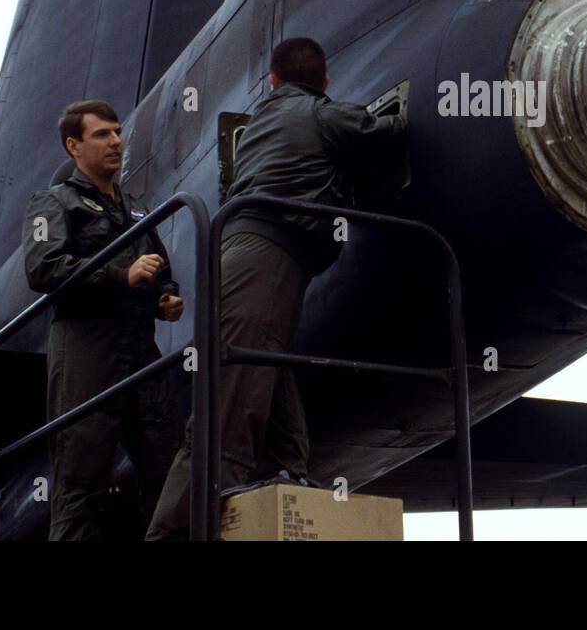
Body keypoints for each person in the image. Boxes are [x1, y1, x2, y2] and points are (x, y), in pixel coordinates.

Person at [146, 37, 407, 539]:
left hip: (250, 259)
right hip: (265, 258)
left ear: (272, 81)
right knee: (224, 425)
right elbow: (384, 130)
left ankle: (290, 482)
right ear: (325, 82)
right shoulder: (318, 113)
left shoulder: (262, 118)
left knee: (276, 394)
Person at [22, 99, 185, 540]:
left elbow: (159, 270)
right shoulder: (51, 203)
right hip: (86, 351)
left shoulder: (135, 212)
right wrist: (119, 275)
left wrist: (166, 299)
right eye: (102, 134)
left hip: (140, 352)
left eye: (117, 132)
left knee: (169, 471)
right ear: (74, 146)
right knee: (81, 483)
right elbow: (43, 267)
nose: (116, 141)